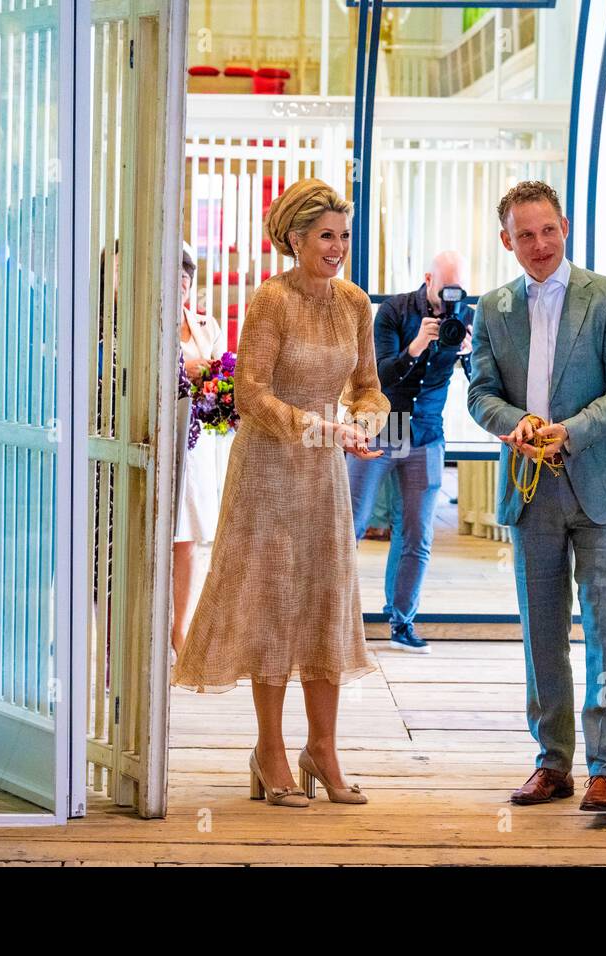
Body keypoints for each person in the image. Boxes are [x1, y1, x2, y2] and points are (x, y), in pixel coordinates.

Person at [171, 178, 390, 809]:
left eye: (344, 236)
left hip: (324, 477)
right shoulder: (271, 300)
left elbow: (370, 388)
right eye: (327, 236)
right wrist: (313, 424)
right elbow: (250, 395)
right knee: (272, 604)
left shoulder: (354, 302)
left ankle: (322, 748)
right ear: (294, 238)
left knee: (325, 600)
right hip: (267, 471)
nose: (338, 247)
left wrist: (364, 423)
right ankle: (269, 751)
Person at [467, 180, 606, 812]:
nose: (539, 244)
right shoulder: (492, 308)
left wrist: (568, 433)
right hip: (531, 493)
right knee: (541, 632)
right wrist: (511, 424)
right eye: (525, 235)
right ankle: (553, 764)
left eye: (548, 230)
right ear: (507, 240)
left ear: (564, 227)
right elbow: (479, 394)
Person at [347, 250, 473, 653]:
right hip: (383, 426)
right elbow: (380, 374)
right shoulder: (393, 312)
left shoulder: (466, 319)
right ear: (428, 279)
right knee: (351, 523)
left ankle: (402, 622)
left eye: (459, 290)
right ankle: (332, 621)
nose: (451, 298)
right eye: (445, 288)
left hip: (426, 434)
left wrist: (470, 356)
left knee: (417, 533)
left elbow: (482, 381)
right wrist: (417, 345)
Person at [171, 243, 223, 655]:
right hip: (160, 435)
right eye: (175, 280)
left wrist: (212, 382)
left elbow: (222, 374)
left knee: (187, 538)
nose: (181, 289)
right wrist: (182, 369)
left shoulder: (206, 325)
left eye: (186, 282)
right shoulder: (144, 322)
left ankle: (180, 627)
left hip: (196, 443)